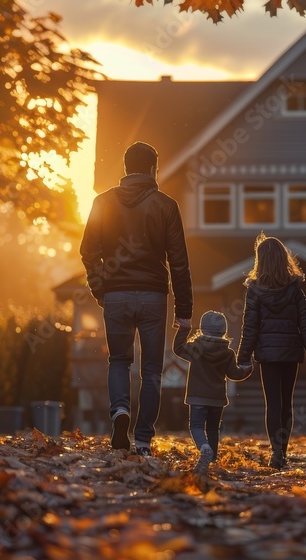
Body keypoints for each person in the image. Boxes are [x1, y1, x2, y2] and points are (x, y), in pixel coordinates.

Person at [79, 141, 193, 455]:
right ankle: (142, 440)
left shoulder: (102, 202)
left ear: (126, 168)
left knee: (118, 360)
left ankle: (120, 412)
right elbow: (179, 261)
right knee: (152, 370)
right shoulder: (166, 205)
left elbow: (88, 252)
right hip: (154, 296)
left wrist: (101, 288)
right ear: (153, 168)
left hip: (116, 294)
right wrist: (184, 311)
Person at [237, 233, 306, 470]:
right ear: (284, 259)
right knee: (287, 404)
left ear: (260, 260)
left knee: (272, 404)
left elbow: (250, 328)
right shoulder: (295, 290)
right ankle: (282, 453)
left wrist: (242, 359)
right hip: (290, 354)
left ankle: (276, 453)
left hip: (268, 356)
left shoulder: (254, 291)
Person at [173, 310, 251, 474]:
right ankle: (213, 459)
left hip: (197, 397)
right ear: (224, 331)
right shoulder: (228, 353)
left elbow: (178, 348)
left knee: (196, 426)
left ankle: (204, 447)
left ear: (202, 329)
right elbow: (234, 374)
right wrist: (247, 369)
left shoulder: (196, 348)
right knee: (214, 428)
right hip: (217, 399)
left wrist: (183, 329)